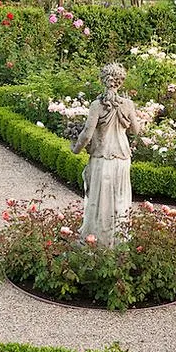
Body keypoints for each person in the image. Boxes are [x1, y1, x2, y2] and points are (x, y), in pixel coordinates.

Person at [71, 63, 140, 247]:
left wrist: (76, 149)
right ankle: (118, 240)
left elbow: (86, 133)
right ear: (121, 81)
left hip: (102, 157)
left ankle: (97, 239)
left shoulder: (97, 105)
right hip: (122, 158)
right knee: (119, 198)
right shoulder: (128, 104)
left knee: (99, 199)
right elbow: (136, 130)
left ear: (103, 80)